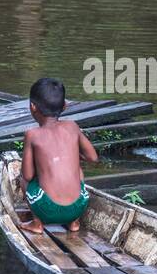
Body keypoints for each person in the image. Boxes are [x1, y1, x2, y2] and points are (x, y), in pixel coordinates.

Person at [18, 77, 98, 233]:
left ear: (32, 107)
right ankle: (74, 222)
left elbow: (27, 176)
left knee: (23, 181)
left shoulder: (32, 135)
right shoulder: (72, 126)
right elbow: (93, 157)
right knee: (78, 171)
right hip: (78, 206)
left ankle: (37, 224)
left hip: (47, 208)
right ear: (65, 106)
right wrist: (74, 157)